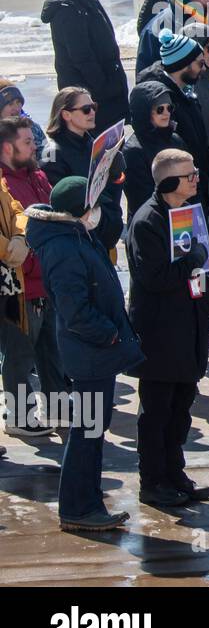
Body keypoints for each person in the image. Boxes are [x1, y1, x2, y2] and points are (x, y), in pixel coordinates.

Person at [26, 177, 146, 532]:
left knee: (92, 431)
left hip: (94, 354)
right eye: (93, 205)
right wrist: (109, 335)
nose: (98, 212)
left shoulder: (74, 235)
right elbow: (75, 311)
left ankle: (88, 502)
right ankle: (78, 508)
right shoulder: (63, 248)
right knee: (87, 433)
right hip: (90, 354)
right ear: (79, 210)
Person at [125, 148, 209, 507]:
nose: (196, 179)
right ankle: (153, 480)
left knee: (180, 407)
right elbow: (154, 277)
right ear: (168, 182)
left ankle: (174, 472)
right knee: (157, 411)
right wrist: (191, 261)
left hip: (188, 324)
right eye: (190, 175)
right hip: (161, 331)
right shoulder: (148, 221)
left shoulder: (188, 212)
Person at [0, 117, 67, 436]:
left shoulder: (37, 175)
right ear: (7, 148)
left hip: (47, 281)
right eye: (27, 142)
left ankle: (58, 409)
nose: (34, 146)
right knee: (19, 354)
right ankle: (19, 417)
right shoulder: (3, 186)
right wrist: (31, 266)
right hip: (20, 287)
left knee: (50, 350)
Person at [41, 0, 129, 132]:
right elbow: (81, 56)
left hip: (106, 91)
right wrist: (104, 87)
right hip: (93, 96)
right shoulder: (67, 10)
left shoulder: (87, 3)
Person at [41, 87, 125, 258]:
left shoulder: (91, 143)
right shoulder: (53, 153)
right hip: (78, 241)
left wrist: (117, 177)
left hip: (104, 233)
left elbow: (107, 192)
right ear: (66, 115)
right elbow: (61, 202)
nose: (92, 112)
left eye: (94, 107)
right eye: (86, 109)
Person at [136, 30, 209, 196]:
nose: (204, 68)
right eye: (199, 64)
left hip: (194, 182)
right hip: (175, 191)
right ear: (184, 65)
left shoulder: (186, 91)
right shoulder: (162, 101)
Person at [122, 82, 186, 221]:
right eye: (159, 109)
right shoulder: (133, 151)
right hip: (151, 224)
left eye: (169, 108)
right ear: (144, 111)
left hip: (181, 218)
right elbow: (141, 199)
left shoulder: (176, 140)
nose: (166, 113)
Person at [0, 80, 48, 154]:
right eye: (10, 104)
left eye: (18, 102)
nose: (16, 108)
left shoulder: (33, 128)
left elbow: (49, 156)